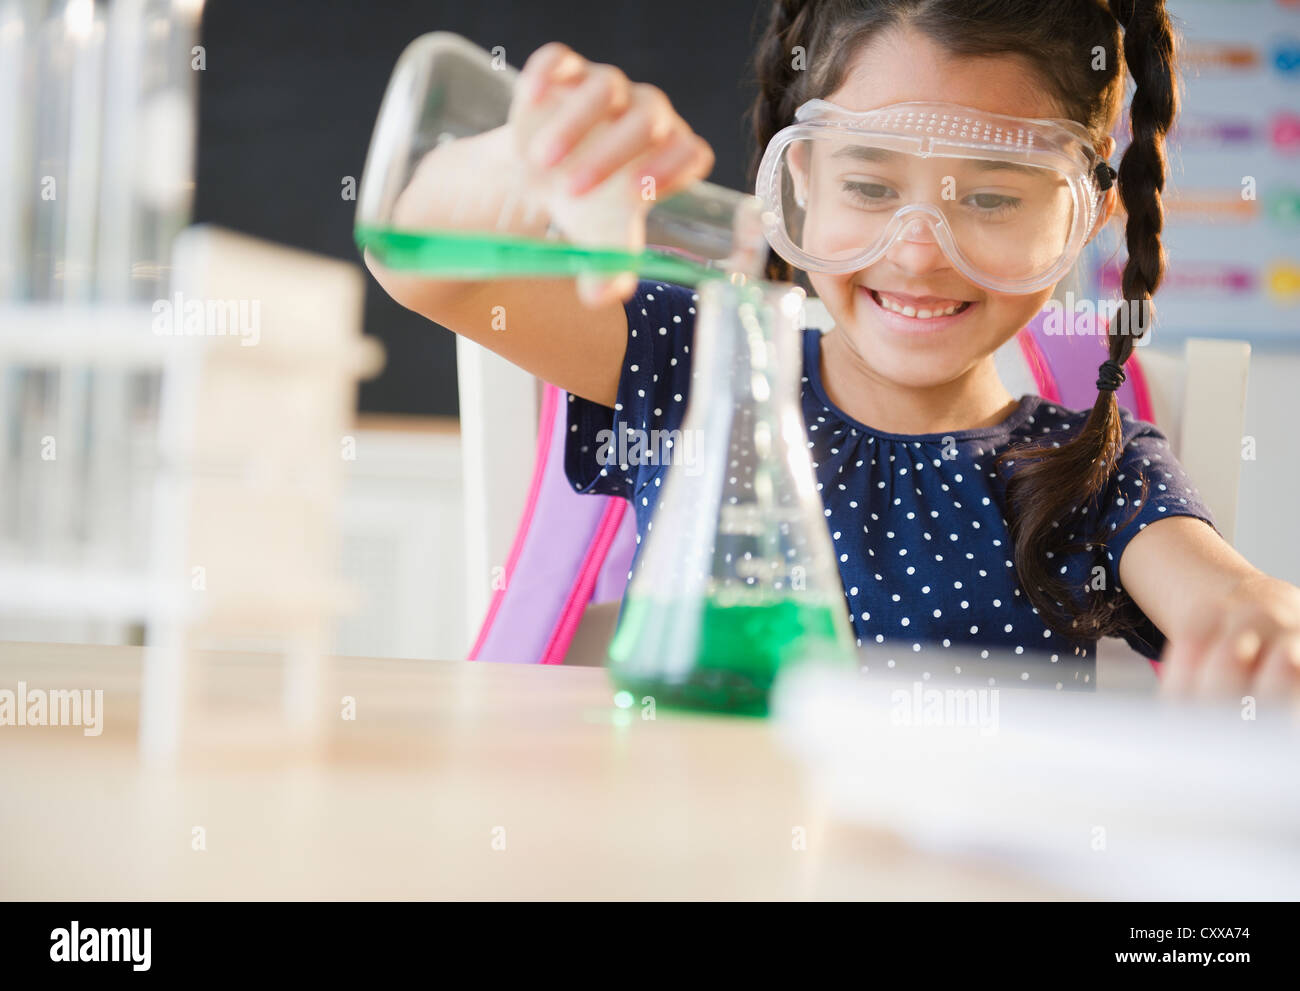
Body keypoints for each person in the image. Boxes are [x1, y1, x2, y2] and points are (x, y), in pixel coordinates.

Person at [367, 0, 1300, 699]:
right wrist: (524, 166)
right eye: (869, 183)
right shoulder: (703, 363)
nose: (918, 249)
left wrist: (1259, 626)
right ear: (799, 181)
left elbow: (1237, 601)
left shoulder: (1093, 468)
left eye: (991, 198)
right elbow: (421, 263)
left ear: (1084, 216)